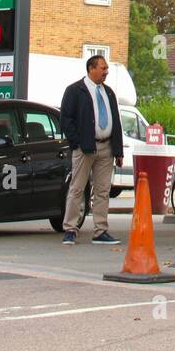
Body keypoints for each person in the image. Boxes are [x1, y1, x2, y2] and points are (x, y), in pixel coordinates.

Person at [59, 54, 124, 245]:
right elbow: (66, 119)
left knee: (103, 191)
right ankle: (70, 229)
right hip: (85, 147)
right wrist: (77, 142)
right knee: (77, 188)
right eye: (103, 68)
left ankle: (100, 230)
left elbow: (116, 121)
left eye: (106, 68)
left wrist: (118, 150)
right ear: (91, 69)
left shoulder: (109, 92)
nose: (106, 72)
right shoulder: (74, 90)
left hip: (106, 147)